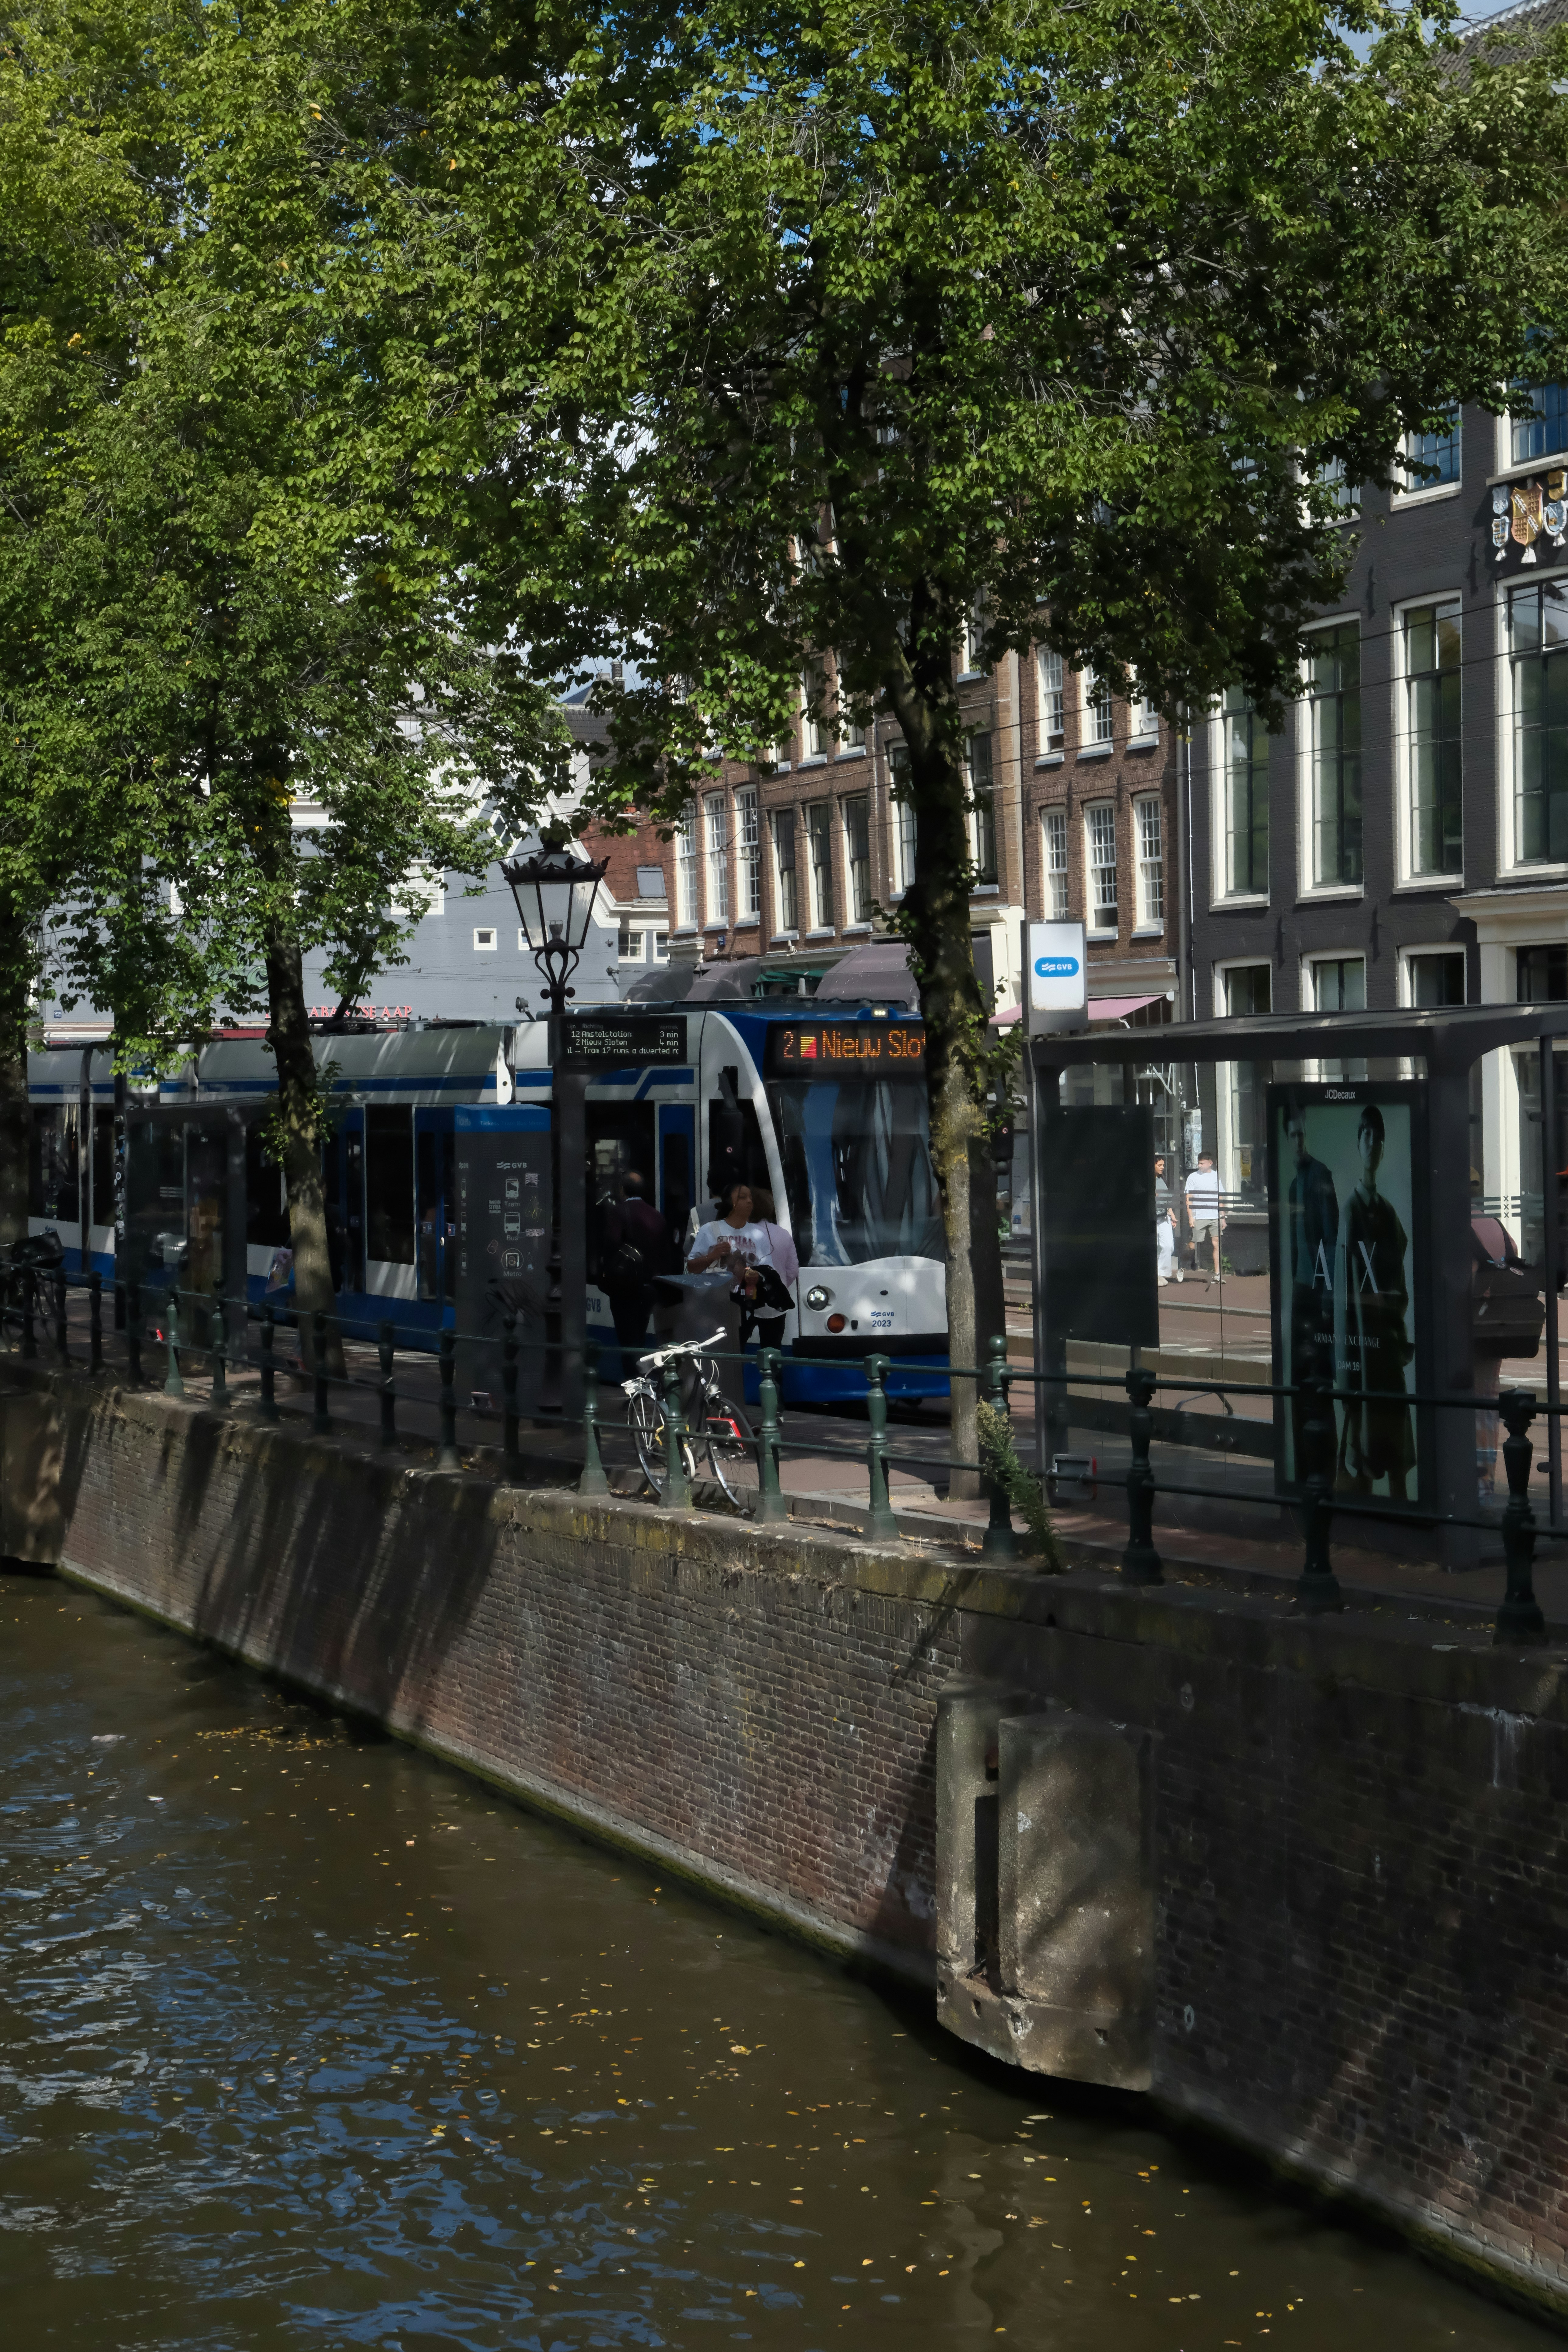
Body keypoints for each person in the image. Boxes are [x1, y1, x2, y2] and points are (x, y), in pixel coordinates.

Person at [1338, 1102, 1415, 1501]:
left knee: (1398, 1464)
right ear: (1359, 1144)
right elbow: (1344, 1296)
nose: (1373, 1145)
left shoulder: (1388, 1213)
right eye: (1367, 1136)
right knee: (1367, 1465)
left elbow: (1399, 1286)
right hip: (1366, 1361)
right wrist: (1348, 1373)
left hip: (1386, 1357)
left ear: (1382, 1149)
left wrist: (1399, 1340)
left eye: (1378, 1139)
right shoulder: (1351, 1213)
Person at [1283, 1099, 1339, 1481]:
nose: (1299, 1141)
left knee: (1318, 1383)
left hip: (1315, 1294)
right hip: (1301, 1293)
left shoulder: (1320, 1176)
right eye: (1293, 1135)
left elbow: (1330, 1240)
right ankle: (1306, 1468)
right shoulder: (1293, 1184)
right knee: (1301, 1383)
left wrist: (1327, 1296)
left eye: (1303, 1134)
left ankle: (1321, 1471)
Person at [599, 1170, 667, 1375]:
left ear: (622, 1189)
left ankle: (635, 1389)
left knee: (628, 1340)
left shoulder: (618, 1212)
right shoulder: (656, 1215)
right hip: (649, 1287)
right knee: (639, 1333)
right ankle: (645, 1383)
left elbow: (611, 1244)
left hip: (624, 1287)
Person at [744, 1185, 800, 1353]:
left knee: (736, 1349)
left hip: (747, 1304)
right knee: (773, 1351)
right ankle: (774, 1379)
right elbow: (793, 1271)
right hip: (775, 1305)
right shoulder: (783, 1234)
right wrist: (779, 1285)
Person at [1183, 1150, 1224, 1283]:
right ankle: (1182, 1266)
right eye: (1199, 1163)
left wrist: (1223, 1217)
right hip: (1199, 1216)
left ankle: (1218, 1274)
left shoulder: (1216, 1176)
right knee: (1194, 1244)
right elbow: (1189, 1198)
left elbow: (1220, 1197)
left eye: (1202, 1163)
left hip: (1214, 1216)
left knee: (1216, 1243)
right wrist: (1191, 1216)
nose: (1200, 1166)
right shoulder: (1193, 1177)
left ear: (1210, 1163)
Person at [1153, 1154, 1179, 1284]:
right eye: (1160, 1165)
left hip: (1164, 1218)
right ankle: (1157, 1275)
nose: (1163, 1168)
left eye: (1163, 1165)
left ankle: (1161, 1272)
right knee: (1155, 1246)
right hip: (1153, 1218)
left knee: (1169, 1245)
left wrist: (1172, 1215)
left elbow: (1167, 1200)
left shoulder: (1162, 1180)